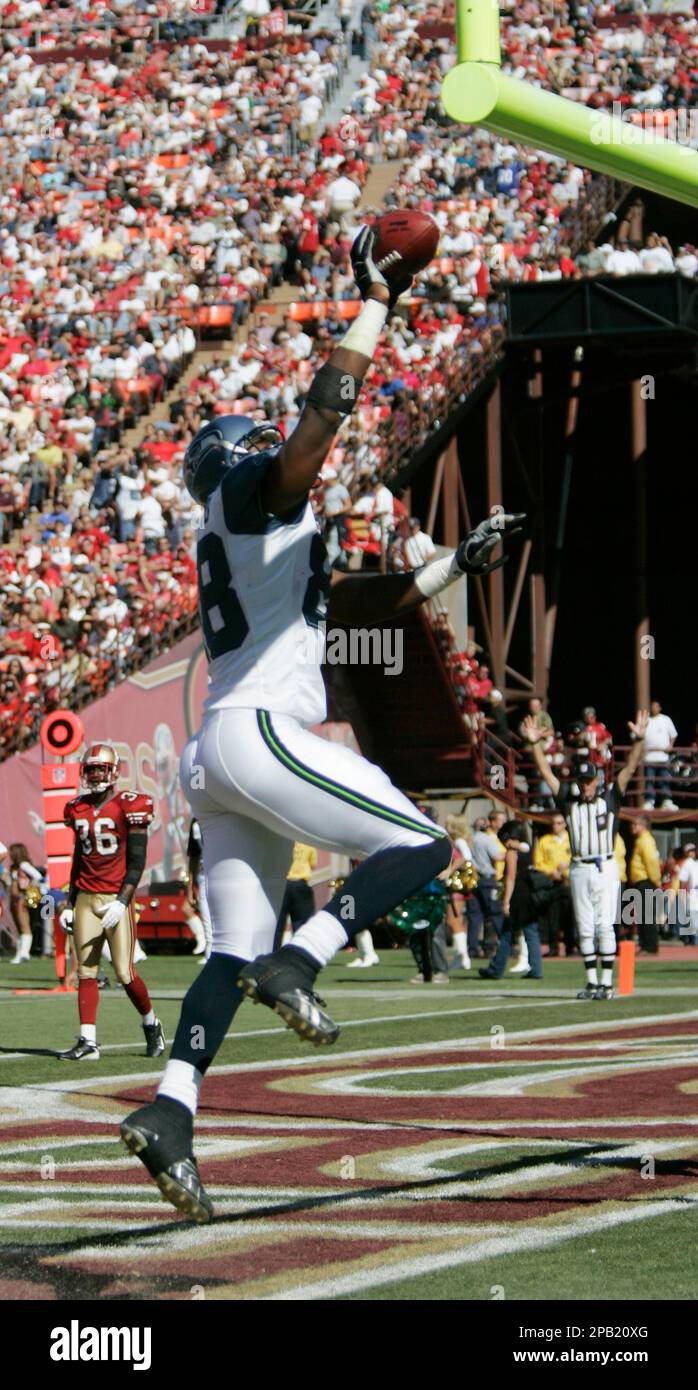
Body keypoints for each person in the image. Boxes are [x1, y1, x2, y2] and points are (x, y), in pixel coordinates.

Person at [121, 226, 525, 1221]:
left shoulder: (244, 536)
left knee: (224, 950)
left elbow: (337, 611)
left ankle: (170, 1113)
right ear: (236, 462)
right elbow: (315, 429)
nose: (273, 450)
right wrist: (376, 303)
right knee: (423, 841)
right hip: (255, 733)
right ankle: (302, 959)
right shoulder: (253, 492)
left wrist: (451, 569)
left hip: (220, 752)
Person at [522, 712, 649, 1000]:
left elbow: (629, 768)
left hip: (604, 865)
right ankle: (592, 982)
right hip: (579, 866)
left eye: (590, 781)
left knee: (605, 924)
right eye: (583, 781)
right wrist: (533, 746)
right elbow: (546, 774)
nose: (587, 786)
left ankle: (607, 982)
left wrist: (639, 741)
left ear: (597, 780)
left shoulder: (610, 797)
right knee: (585, 926)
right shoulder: (569, 799)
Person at [59, 743, 165, 1061]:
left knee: (123, 971)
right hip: (85, 898)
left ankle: (151, 1024)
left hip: (114, 898)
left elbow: (136, 862)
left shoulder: (129, 806)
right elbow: (79, 857)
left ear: (113, 771)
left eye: (99, 769)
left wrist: (122, 901)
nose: (94, 775)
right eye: (89, 769)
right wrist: (69, 901)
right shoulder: (76, 808)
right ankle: (88, 1042)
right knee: (86, 972)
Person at [478, 821, 543, 980]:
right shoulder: (527, 848)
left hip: (516, 895)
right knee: (531, 932)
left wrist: (506, 901)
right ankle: (536, 969)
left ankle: (496, 969)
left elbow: (511, 877)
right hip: (529, 894)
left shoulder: (512, 853)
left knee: (507, 934)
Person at [533, 812, 574, 957]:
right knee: (553, 917)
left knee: (570, 916)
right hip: (552, 883)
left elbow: (577, 859)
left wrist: (566, 872)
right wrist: (552, 872)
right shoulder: (544, 841)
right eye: (553, 823)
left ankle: (571, 946)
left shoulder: (572, 840)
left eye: (558, 823)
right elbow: (539, 863)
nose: (555, 826)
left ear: (564, 825)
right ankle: (553, 947)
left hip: (569, 882)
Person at [627, 815, 662, 955]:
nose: (633, 827)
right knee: (642, 915)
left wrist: (655, 881)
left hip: (646, 881)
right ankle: (645, 944)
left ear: (644, 826)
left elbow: (651, 862)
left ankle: (650, 946)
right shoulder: (641, 840)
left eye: (636, 824)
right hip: (641, 882)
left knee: (646, 915)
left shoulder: (646, 840)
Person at [7, 843, 45, 964]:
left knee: (24, 926)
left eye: (12, 852)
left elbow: (38, 876)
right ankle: (20, 953)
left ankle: (24, 954)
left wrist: (30, 891)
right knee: (19, 927)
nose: (10, 854)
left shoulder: (24, 865)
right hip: (14, 899)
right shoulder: (15, 866)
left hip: (22, 898)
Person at [181, 818, 212, 960]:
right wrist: (190, 888)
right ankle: (209, 955)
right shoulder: (196, 822)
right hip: (203, 874)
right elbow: (193, 857)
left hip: (225, 873)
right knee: (207, 920)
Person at [642, 699, 678, 810]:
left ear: (660, 708)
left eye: (656, 706)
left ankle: (667, 801)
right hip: (649, 757)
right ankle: (649, 801)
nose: (653, 708)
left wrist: (670, 745)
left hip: (663, 757)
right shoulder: (646, 720)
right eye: (652, 706)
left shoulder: (666, 719)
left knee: (664, 779)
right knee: (649, 780)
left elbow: (674, 734)